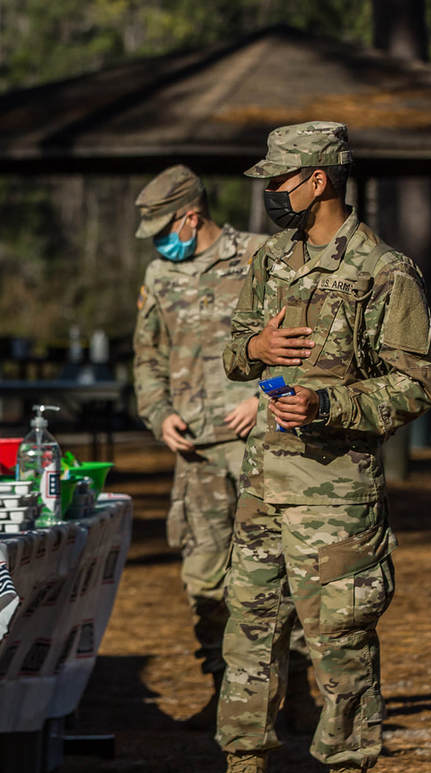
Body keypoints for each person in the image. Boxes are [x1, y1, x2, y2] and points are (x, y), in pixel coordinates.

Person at [188, 122, 431, 773]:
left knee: (340, 647)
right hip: (263, 488)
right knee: (249, 640)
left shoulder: (385, 271)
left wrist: (329, 406)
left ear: (318, 180)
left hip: (336, 501)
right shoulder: (271, 260)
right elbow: (235, 351)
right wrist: (257, 346)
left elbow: (414, 386)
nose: (270, 193)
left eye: (279, 181)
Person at [130, 165, 270, 707]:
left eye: (164, 230)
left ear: (191, 217)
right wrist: (159, 413)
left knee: (275, 576)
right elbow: (148, 356)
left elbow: (305, 342)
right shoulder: (160, 275)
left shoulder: (262, 257)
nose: (159, 243)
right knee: (205, 581)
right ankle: (224, 698)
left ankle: (292, 697)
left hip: (261, 447)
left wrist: (264, 397)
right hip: (197, 455)